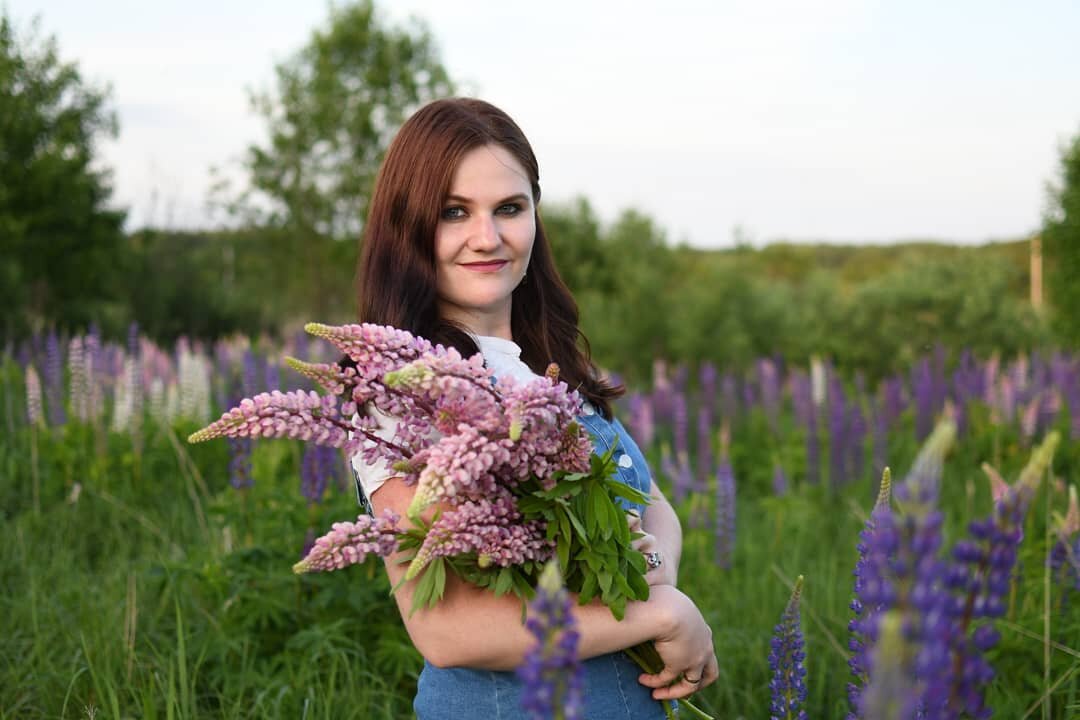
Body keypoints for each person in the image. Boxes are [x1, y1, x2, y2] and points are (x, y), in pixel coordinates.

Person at [350, 97, 718, 719]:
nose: (487, 237)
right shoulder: (397, 394)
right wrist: (657, 612)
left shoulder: (553, 365)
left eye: (510, 209)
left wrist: (649, 573)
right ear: (409, 224)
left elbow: (651, 504)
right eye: (454, 212)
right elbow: (450, 631)